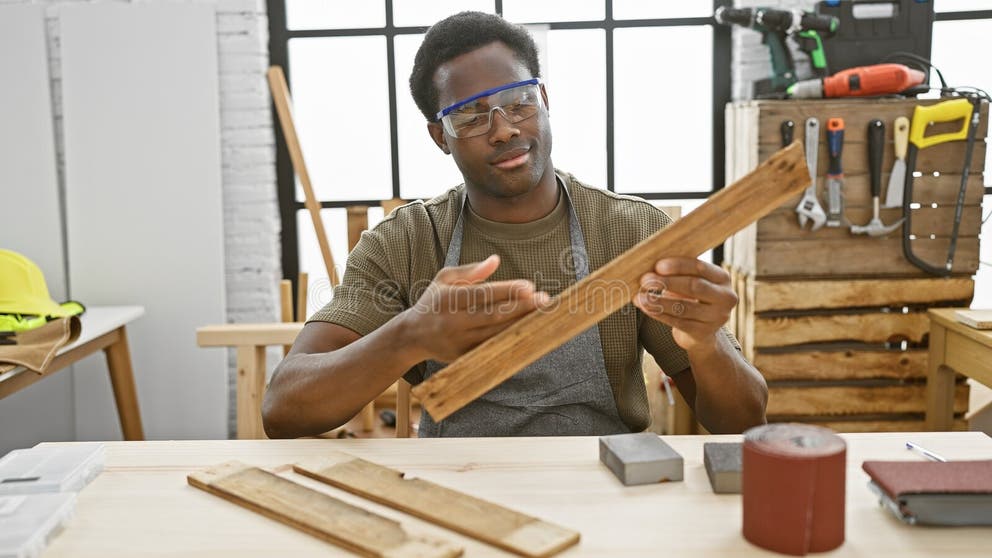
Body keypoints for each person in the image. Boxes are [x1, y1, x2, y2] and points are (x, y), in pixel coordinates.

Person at [262, 11, 767, 438]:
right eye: (471, 116)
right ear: (441, 136)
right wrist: (408, 336)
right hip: (455, 500)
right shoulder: (405, 243)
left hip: (607, 487)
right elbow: (283, 410)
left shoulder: (631, 232)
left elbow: (742, 422)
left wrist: (706, 341)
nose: (504, 129)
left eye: (519, 101)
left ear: (543, 101)